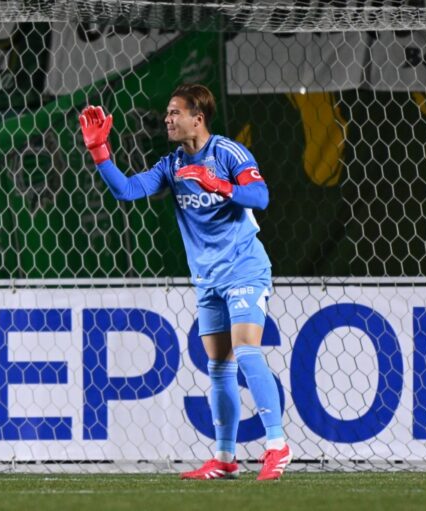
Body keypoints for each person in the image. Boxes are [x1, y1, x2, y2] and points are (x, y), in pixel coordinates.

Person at [78, 84, 291, 481]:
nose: (168, 120)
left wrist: (220, 185)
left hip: (244, 268)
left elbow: (260, 196)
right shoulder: (171, 166)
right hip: (207, 278)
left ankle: (277, 445)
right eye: (167, 114)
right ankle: (225, 458)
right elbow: (127, 191)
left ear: (199, 117)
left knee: (246, 351)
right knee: (219, 366)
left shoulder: (228, 153)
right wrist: (99, 152)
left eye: (175, 113)